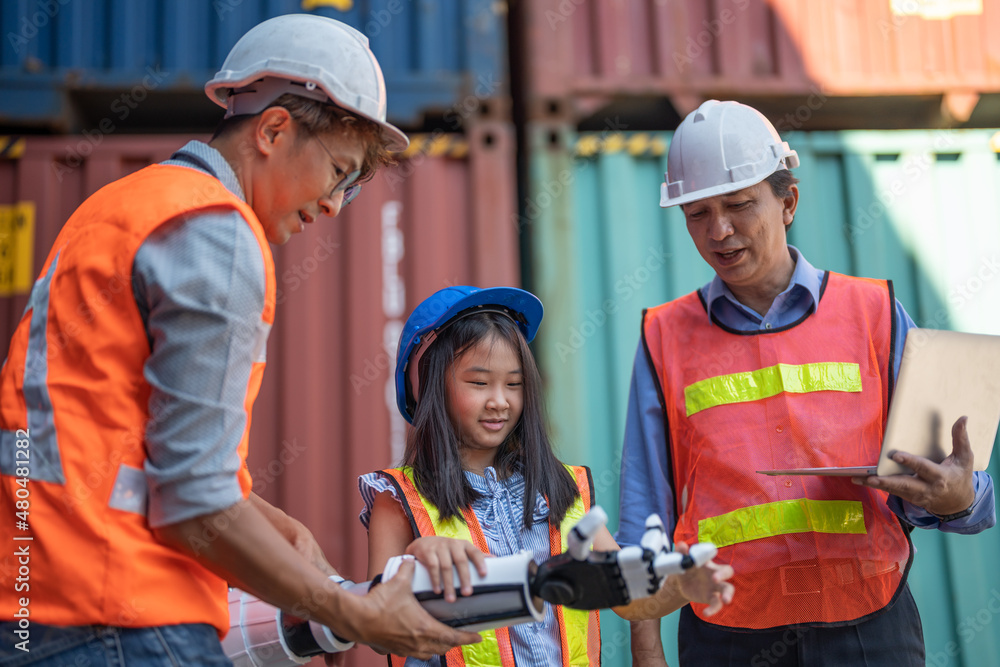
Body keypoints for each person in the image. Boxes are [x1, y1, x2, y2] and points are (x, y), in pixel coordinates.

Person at [0, 14, 481, 665]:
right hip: (125, 619)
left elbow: (113, 441)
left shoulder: (123, 206)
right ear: (275, 129)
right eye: (338, 171)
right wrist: (355, 612)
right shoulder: (217, 230)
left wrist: (266, 520)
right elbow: (194, 506)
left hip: (36, 608)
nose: (336, 205)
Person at [616, 99, 997, 666]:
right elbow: (643, 520)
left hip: (872, 631)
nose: (719, 230)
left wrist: (960, 497)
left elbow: (957, 489)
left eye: (739, 205)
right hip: (726, 640)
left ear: (787, 201)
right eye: (697, 213)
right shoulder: (665, 337)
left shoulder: (874, 313)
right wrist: (646, 650)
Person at [359, 285, 735, 666]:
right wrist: (414, 560)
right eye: (478, 383)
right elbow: (377, 631)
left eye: (514, 384)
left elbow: (631, 599)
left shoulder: (561, 488)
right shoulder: (397, 498)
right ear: (431, 385)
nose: (499, 401)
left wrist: (681, 587)